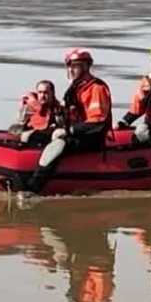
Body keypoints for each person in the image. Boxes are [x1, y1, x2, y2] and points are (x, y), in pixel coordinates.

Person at [23, 48, 112, 194]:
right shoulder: (75, 89)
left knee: (59, 143)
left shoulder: (96, 89)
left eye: (75, 65)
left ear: (86, 66)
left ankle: (33, 189)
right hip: (73, 131)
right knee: (32, 136)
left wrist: (68, 131)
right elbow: (66, 112)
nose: (71, 69)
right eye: (70, 65)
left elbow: (97, 123)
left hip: (92, 138)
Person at [9, 79, 64, 146]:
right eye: (40, 92)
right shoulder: (30, 104)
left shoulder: (58, 108)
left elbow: (61, 124)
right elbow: (20, 121)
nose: (42, 96)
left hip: (46, 136)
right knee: (15, 130)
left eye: (45, 93)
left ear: (52, 93)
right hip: (30, 133)